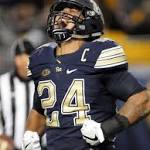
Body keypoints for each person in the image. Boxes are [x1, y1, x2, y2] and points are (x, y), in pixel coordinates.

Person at [22, 0, 150, 150]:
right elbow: (40, 110)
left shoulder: (98, 54)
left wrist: (106, 129)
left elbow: (143, 100)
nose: (63, 15)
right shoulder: (42, 58)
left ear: (89, 19)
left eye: (72, 10)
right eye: (61, 10)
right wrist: (31, 133)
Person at [0, 39, 46, 150]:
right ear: (15, 60)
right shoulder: (2, 83)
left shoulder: (43, 82)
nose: (24, 61)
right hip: (10, 145)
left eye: (27, 56)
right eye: (20, 57)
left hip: (41, 146)